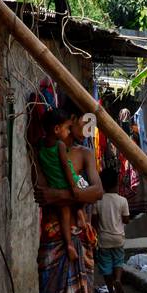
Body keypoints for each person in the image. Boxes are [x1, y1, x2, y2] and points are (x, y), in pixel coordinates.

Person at [31, 105, 110, 293]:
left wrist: (63, 195)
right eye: (81, 122)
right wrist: (70, 195)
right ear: (66, 124)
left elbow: (96, 191)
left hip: (79, 238)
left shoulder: (84, 154)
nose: (86, 129)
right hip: (54, 238)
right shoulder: (44, 152)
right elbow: (41, 192)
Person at [37, 109, 86, 261]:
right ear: (57, 129)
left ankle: (69, 244)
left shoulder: (39, 145)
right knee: (85, 192)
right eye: (66, 128)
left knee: (64, 214)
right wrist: (74, 189)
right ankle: (79, 213)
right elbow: (66, 168)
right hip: (68, 183)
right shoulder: (59, 145)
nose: (68, 132)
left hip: (55, 186)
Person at [95, 167, 131, 293]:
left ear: (102, 184)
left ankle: (111, 292)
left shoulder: (98, 201)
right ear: (117, 183)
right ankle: (117, 279)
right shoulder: (122, 200)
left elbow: (94, 220)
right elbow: (126, 219)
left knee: (106, 266)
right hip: (118, 238)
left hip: (104, 239)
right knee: (118, 261)